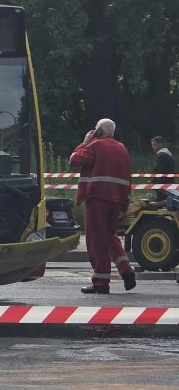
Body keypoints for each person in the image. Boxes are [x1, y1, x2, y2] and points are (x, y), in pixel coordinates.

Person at [69, 119, 136, 294]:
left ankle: (100, 282)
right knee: (109, 236)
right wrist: (125, 203)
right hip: (117, 200)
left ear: (99, 130)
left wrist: (84, 142)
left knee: (96, 239)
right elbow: (128, 179)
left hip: (97, 198)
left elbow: (74, 160)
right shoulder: (122, 149)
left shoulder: (96, 145)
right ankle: (125, 268)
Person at [152, 136, 174, 201]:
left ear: (160, 144)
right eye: (152, 145)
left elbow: (161, 172)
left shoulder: (162, 155)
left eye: (154, 144)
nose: (152, 147)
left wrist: (158, 185)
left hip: (164, 185)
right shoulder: (167, 154)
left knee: (162, 200)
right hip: (169, 183)